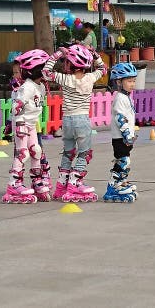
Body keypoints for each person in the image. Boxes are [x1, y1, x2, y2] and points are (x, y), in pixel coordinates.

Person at [43, 44, 107, 202]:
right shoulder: (90, 77)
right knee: (84, 153)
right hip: (82, 120)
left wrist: (57, 54)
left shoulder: (66, 79)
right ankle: (75, 183)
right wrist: (95, 54)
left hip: (67, 121)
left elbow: (46, 72)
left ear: (69, 64)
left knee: (68, 152)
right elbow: (103, 69)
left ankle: (61, 186)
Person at [1, 49, 50, 204]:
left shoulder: (40, 86)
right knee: (22, 153)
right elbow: (17, 105)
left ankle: (37, 181)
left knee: (36, 151)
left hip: (32, 124)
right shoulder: (27, 87)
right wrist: (13, 120)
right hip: (22, 122)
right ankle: (14, 184)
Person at [104, 63, 139, 202]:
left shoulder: (126, 97)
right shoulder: (120, 98)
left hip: (126, 138)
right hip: (120, 138)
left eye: (134, 81)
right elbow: (120, 118)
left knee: (126, 161)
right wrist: (127, 134)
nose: (132, 84)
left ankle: (121, 183)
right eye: (129, 81)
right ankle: (113, 186)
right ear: (119, 82)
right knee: (122, 161)